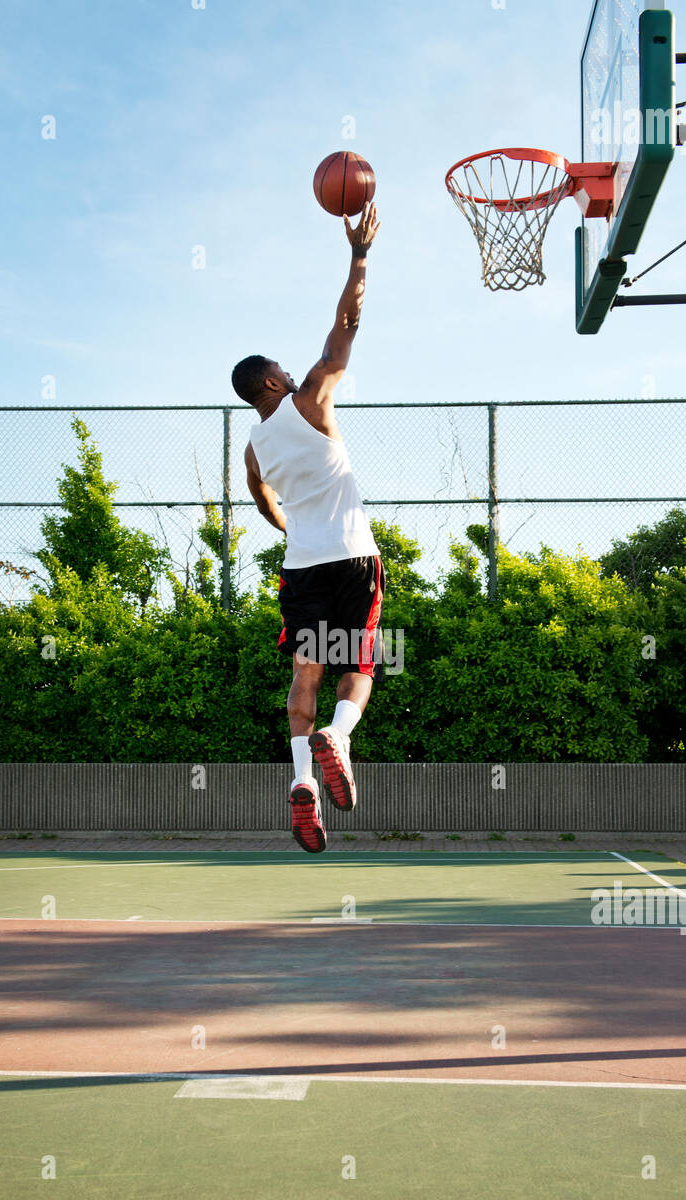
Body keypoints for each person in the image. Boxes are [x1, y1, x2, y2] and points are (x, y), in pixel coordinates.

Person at [231, 202, 385, 853]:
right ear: (273, 380)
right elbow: (344, 327)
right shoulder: (312, 397)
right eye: (284, 371)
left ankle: (303, 783)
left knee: (305, 676)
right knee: (364, 663)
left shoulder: (254, 448)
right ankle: (339, 738)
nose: (295, 372)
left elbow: (259, 499)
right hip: (351, 556)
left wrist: (287, 528)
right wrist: (358, 255)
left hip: (301, 566)